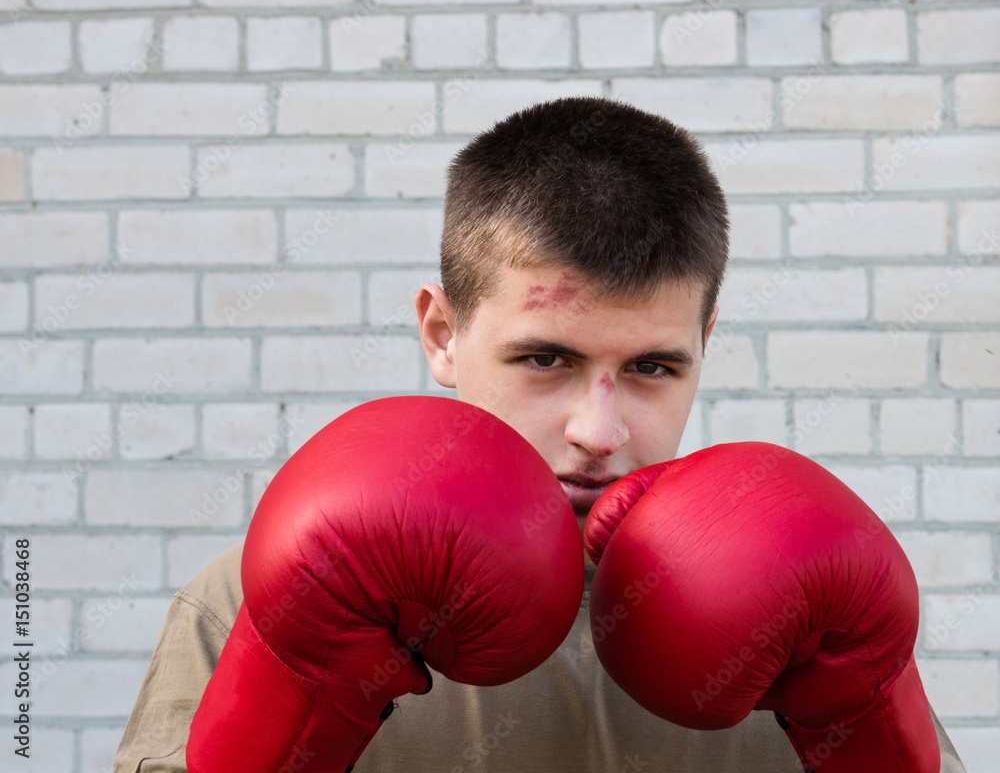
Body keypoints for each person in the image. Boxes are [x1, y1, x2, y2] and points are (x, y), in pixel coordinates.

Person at [114, 97, 966, 772]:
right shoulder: (256, 599)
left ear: (705, 347)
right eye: (545, 358)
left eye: (653, 369)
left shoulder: (810, 604)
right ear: (443, 335)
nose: (599, 430)